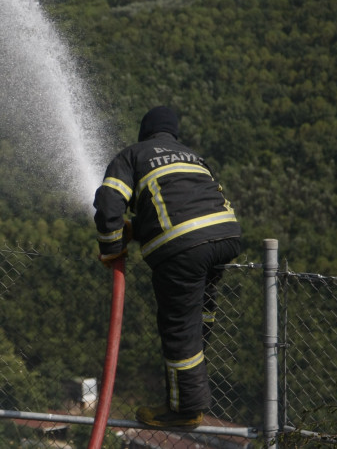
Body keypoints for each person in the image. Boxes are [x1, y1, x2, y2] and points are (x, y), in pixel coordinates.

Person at [93, 106, 241, 429]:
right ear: (173, 133)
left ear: (144, 132)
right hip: (225, 234)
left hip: (184, 245)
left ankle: (185, 409)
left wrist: (111, 247)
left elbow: (108, 204)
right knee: (199, 311)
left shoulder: (132, 155)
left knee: (178, 325)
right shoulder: (192, 156)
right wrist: (137, 228)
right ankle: (193, 361)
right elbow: (179, 203)